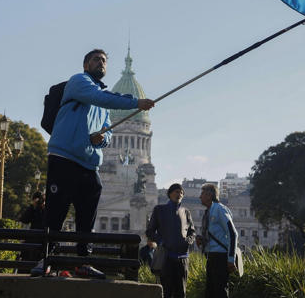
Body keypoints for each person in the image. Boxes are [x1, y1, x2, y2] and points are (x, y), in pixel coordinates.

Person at [36, 48, 155, 278]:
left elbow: (108, 132)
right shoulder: (79, 82)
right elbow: (100, 97)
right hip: (64, 156)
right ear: (86, 65)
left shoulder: (102, 104)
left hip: (89, 162)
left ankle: (83, 260)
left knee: (87, 214)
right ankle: (45, 260)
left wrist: (102, 139)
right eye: (95, 59)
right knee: (56, 211)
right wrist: (136, 102)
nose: (100, 63)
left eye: (103, 60)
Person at [146, 182, 196, 298]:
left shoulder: (186, 212)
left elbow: (192, 232)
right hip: (166, 257)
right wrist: (161, 242)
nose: (179, 194)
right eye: (176, 191)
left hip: (183, 258)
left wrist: (188, 242)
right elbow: (150, 231)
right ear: (170, 194)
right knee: (165, 291)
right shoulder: (159, 209)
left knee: (181, 291)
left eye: (181, 192)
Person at [197, 182, 238, 298]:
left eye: (202, 194)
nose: (200, 197)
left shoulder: (220, 209)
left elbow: (232, 233)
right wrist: (202, 239)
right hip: (211, 255)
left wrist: (231, 259)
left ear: (209, 196)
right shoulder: (209, 211)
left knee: (220, 291)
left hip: (220, 256)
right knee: (210, 292)